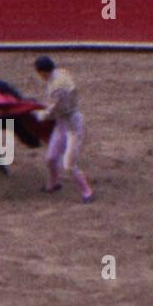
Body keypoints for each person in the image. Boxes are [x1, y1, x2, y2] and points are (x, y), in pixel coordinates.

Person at [33, 56, 95, 204]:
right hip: (63, 123)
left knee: (68, 163)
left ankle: (87, 191)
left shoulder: (57, 88)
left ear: (43, 72)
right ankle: (54, 183)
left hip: (72, 125)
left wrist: (40, 115)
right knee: (51, 158)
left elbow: (53, 111)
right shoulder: (61, 73)